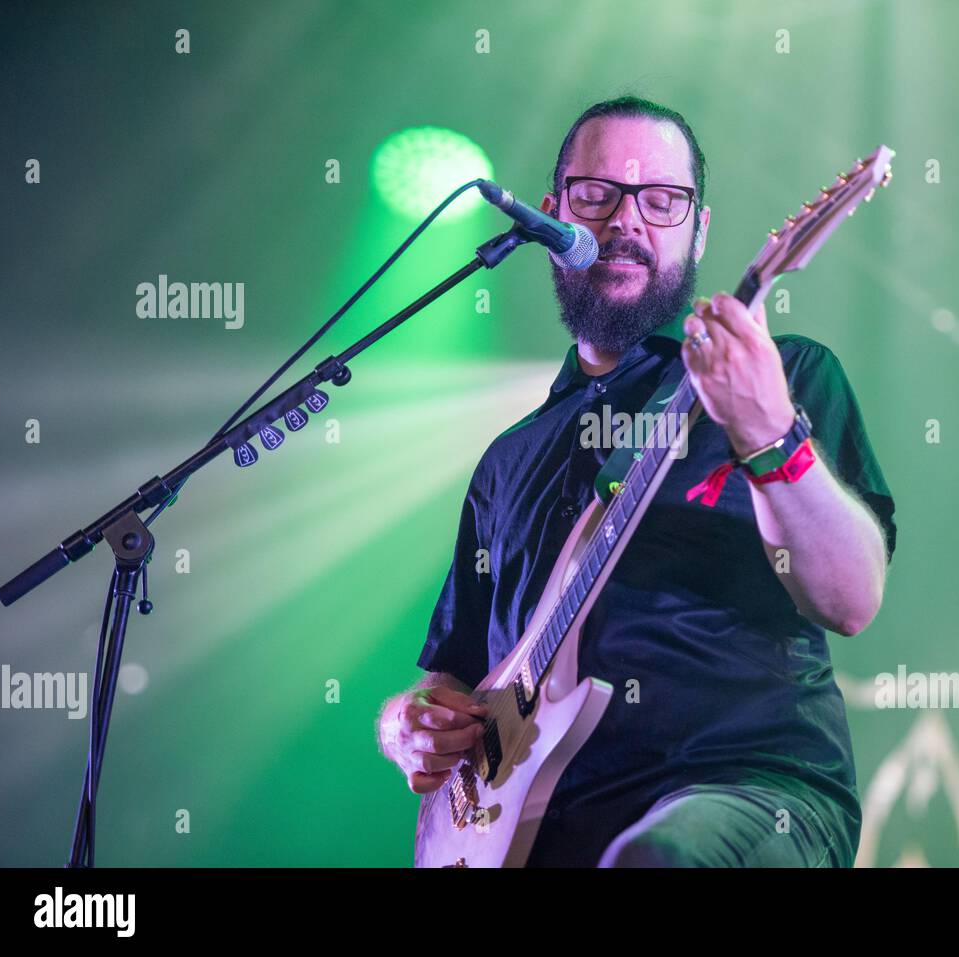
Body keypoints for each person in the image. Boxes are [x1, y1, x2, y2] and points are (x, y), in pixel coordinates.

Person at [377, 95, 896, 867]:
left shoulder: (782, 374)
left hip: (746, 792)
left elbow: (852, 600)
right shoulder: (507, 461)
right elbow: (455, 675)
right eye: (598, 196)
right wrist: (405, 722)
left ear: (700, 229)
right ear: (550, 217)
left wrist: (769, 434)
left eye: (663, 200)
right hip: (526, 829)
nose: (628, 222)